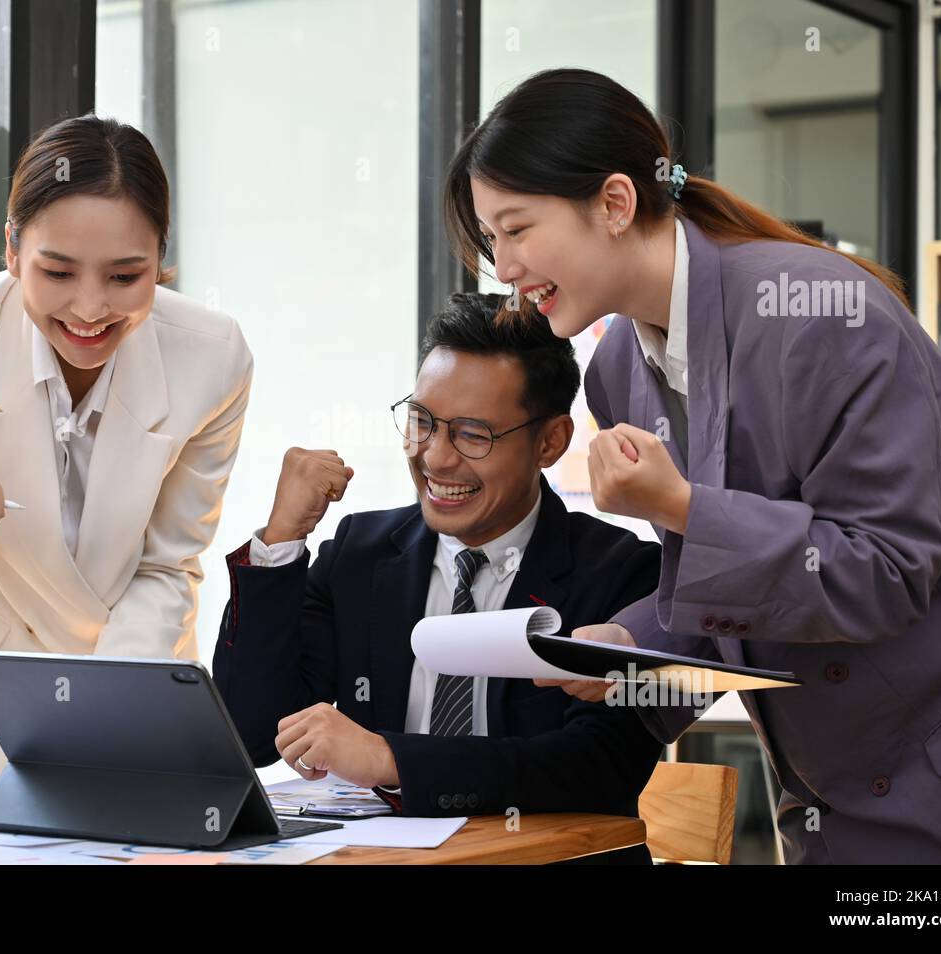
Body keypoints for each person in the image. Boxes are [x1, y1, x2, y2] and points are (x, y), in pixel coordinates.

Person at [444, 67, 941, 863]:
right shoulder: (617, 372)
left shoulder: (821, 316)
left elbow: (888, 571)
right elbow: (726, 588)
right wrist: (625, 643)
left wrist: (682, 507)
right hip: (823, 775)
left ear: (613, 204)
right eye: (490, 238)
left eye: (516, 229)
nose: (501, 265)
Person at [0, 114, 253, 789]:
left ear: (161, 259)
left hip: (135, 674)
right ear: (12, 249)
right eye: (59, 271)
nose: (90, 308)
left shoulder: (212, 360)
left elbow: (167, 563)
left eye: (127, 276)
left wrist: (105, 710)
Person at [212, 292, 663, 857]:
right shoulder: (361, 552)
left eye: (473, 435)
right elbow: (250, 733)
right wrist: (279, 540)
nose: (436, 458)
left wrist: (390, 760)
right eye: (422, 422)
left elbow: (597, 768)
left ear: (551, 442)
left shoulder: (621, 572)